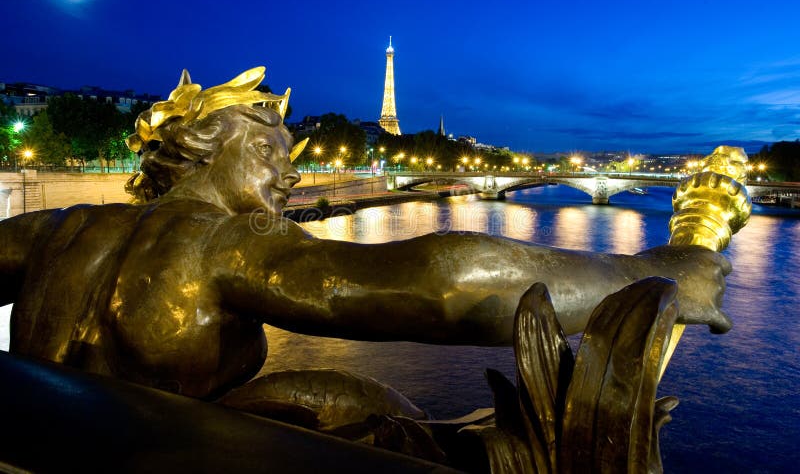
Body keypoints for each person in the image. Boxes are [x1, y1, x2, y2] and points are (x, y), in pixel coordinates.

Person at [0, 68, 732, 399]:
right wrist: (651, 270)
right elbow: (443, 287)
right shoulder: (225, 240)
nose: (290, 173)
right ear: (205, 150)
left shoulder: (63, 228)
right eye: (269, 151)